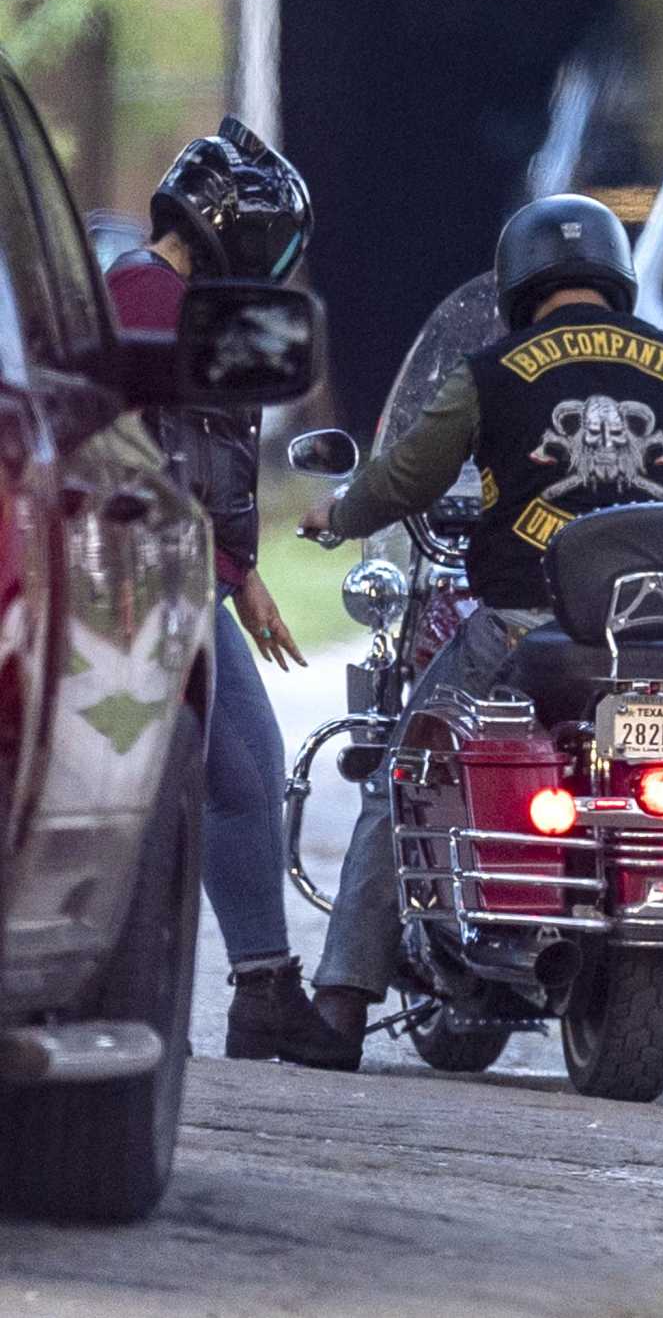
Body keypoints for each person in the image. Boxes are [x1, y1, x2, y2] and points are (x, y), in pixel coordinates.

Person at [301, 194, 663, 1117]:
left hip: (524, 629)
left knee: (404, 770)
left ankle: (340, 1005)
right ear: (616, 279)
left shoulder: (490, 371)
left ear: (517, 283)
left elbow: (409, 478)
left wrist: (339, 512)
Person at [105, 116, 353, 1070]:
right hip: (136, 582)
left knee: (246, 764)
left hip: (189, 576)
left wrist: (242, 575)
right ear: (242, 230)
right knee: (204, 770)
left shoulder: (191, 304)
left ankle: (262, 991)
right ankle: (244, 988)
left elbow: (210, 453)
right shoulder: (141, 295)